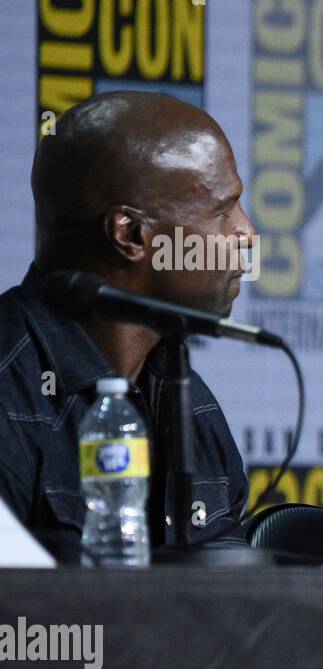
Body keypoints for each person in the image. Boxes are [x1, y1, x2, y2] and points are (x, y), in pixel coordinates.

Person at [0, 91, 255, 562]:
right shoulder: (10, 392)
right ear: (132, 236)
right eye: (223, 212)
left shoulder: (183, 392)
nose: (247, 235)